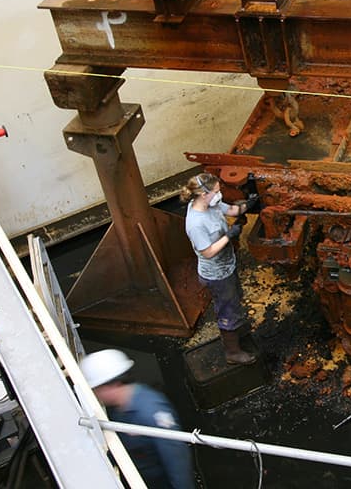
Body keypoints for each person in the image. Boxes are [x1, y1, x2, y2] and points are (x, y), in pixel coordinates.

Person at [80, 349, 193, 489]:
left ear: (110, 385)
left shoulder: (151, 412)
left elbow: (177, 460)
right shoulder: (116, 409)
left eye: (96, 389)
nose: (95, 394)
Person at [181, 173, 258, 365]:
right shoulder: (196, 223)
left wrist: (250, 203)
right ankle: (232, 352)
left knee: (235, 297)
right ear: (203, 194)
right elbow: (207, 252)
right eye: (216, 191)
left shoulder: (211, 204)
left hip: (227, 265)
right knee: (226, 310)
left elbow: (231, 210)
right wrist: (229, 235)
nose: (219, 194)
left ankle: (238, 329)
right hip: (216, 274)